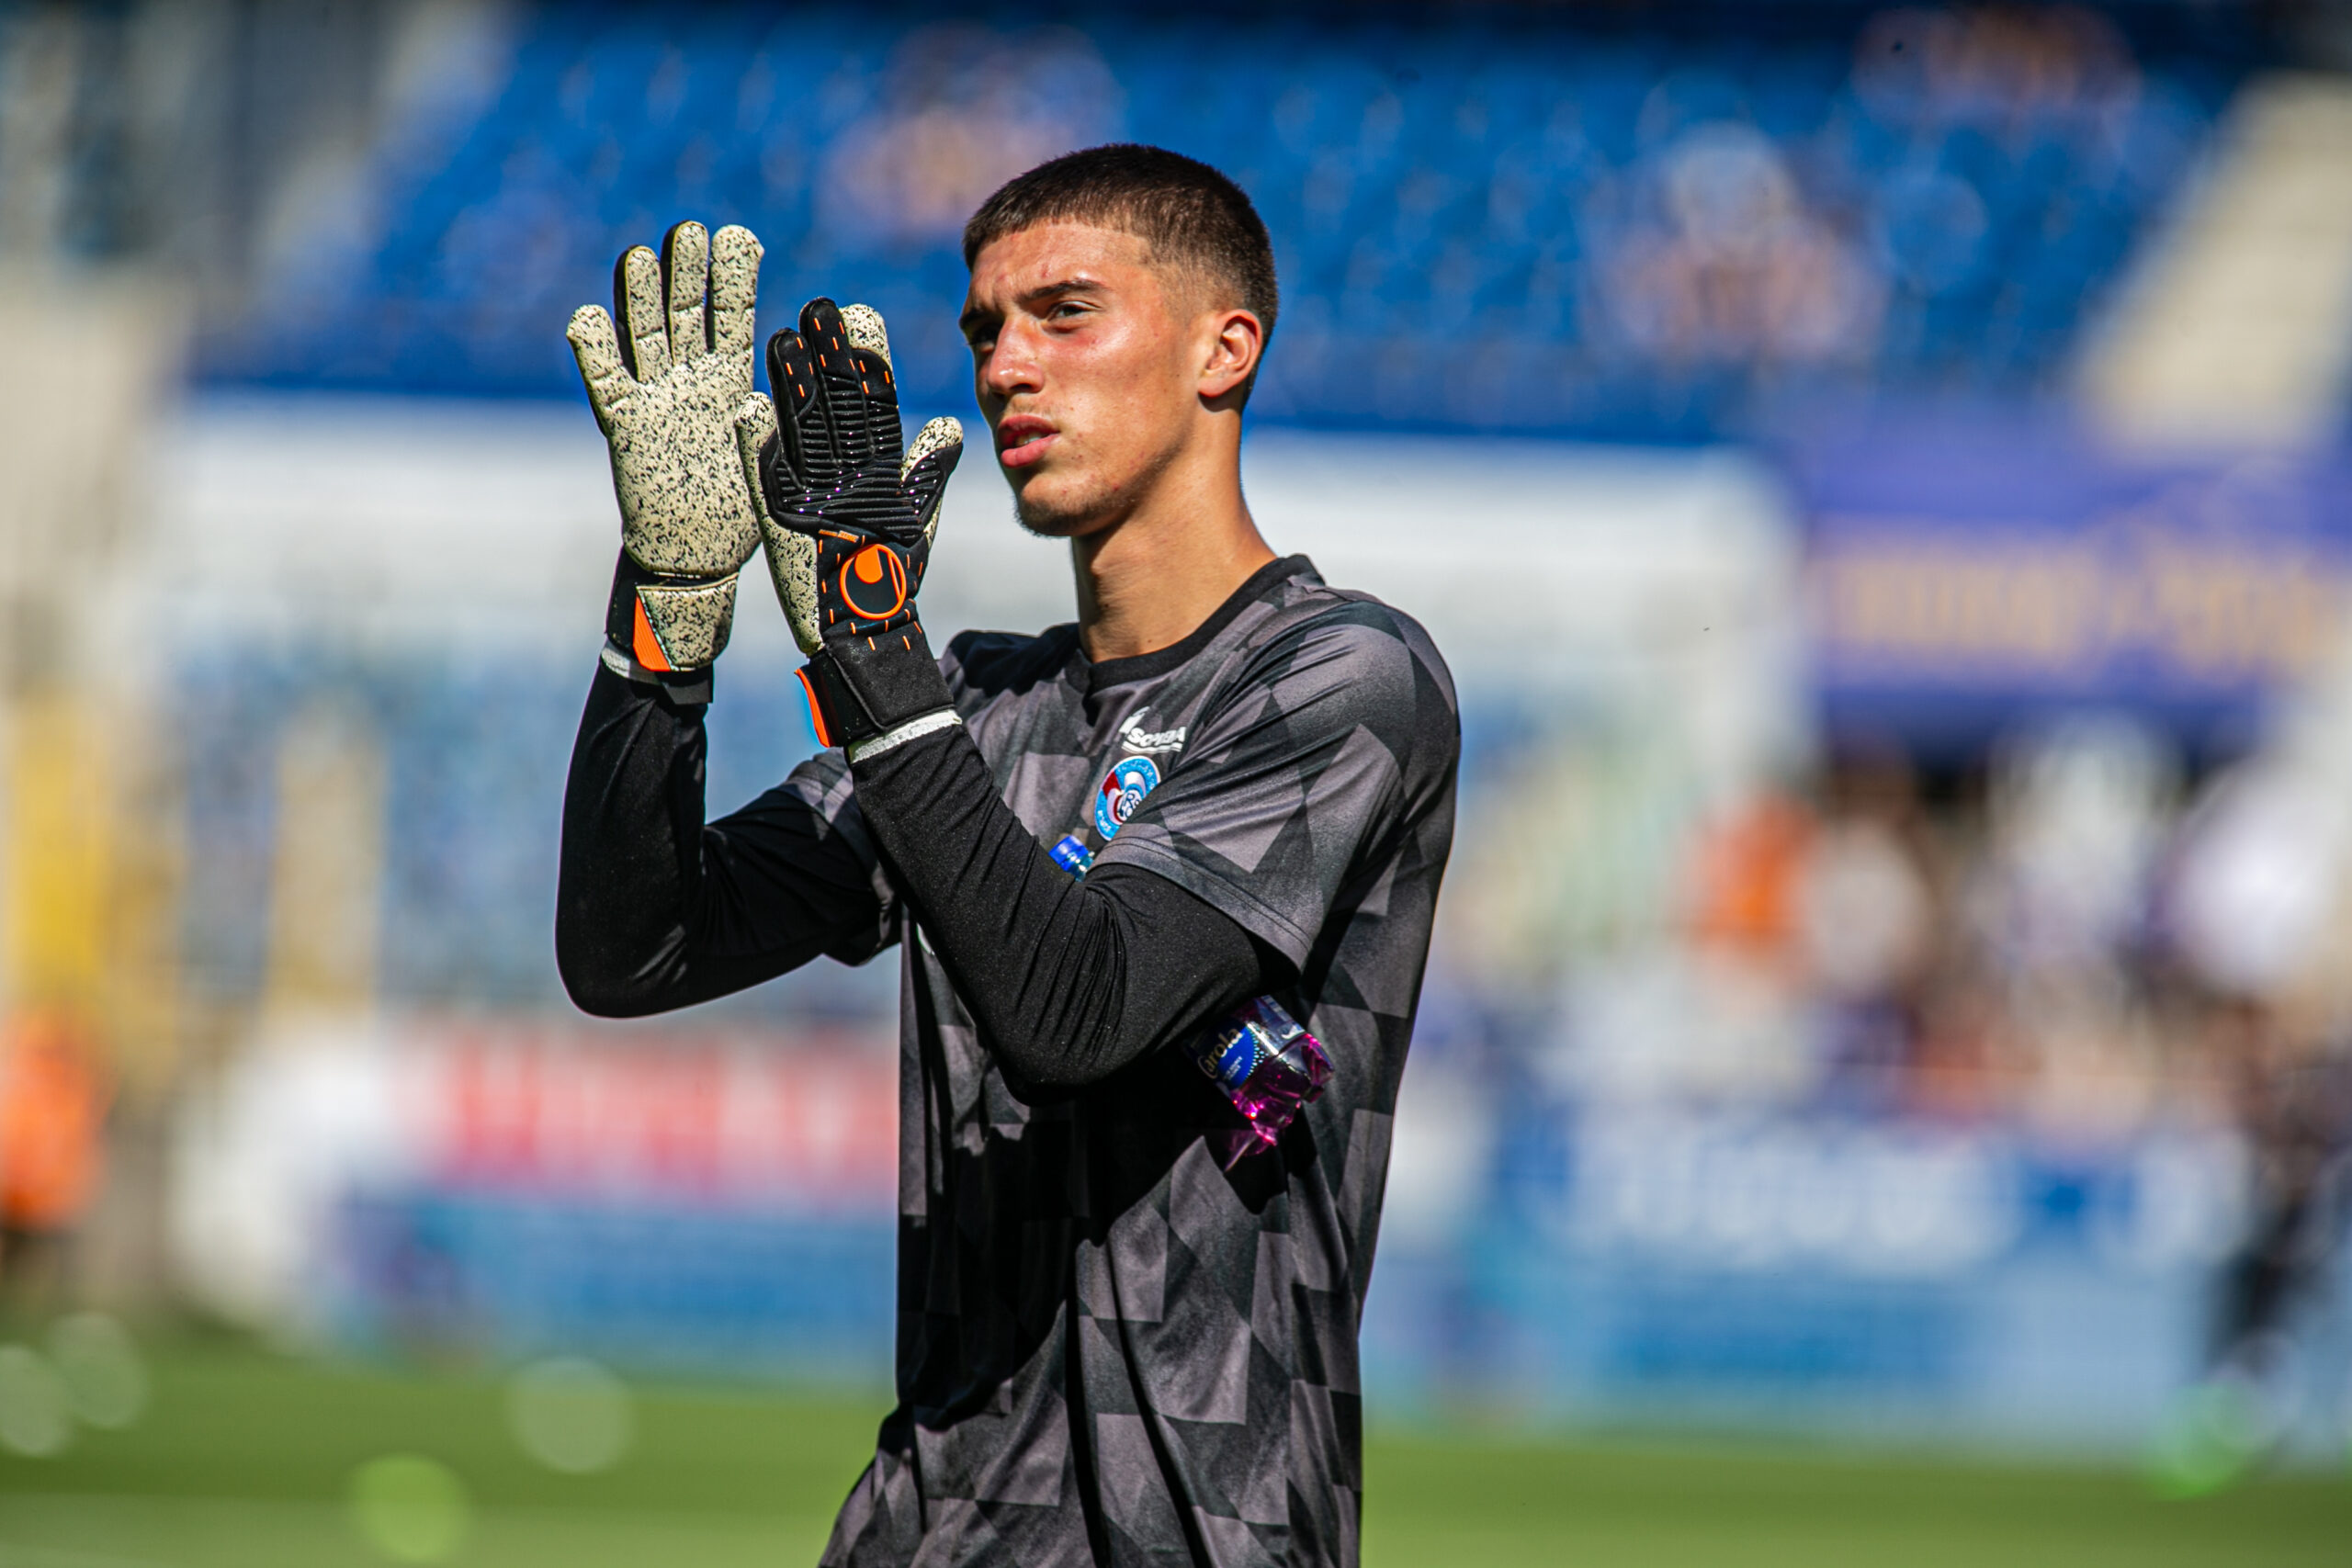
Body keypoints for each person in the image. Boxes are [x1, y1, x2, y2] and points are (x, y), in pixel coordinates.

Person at [556, 144, 1458, 1566]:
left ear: (1226, 349)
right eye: (984, 328)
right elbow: (636, 948)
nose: (1004, 366)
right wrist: (668, 609)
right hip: (927, 1537)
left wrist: (862, 635)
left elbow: (1073, 1013)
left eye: (1066, 314)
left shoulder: (1343, 679)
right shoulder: (975, 705)